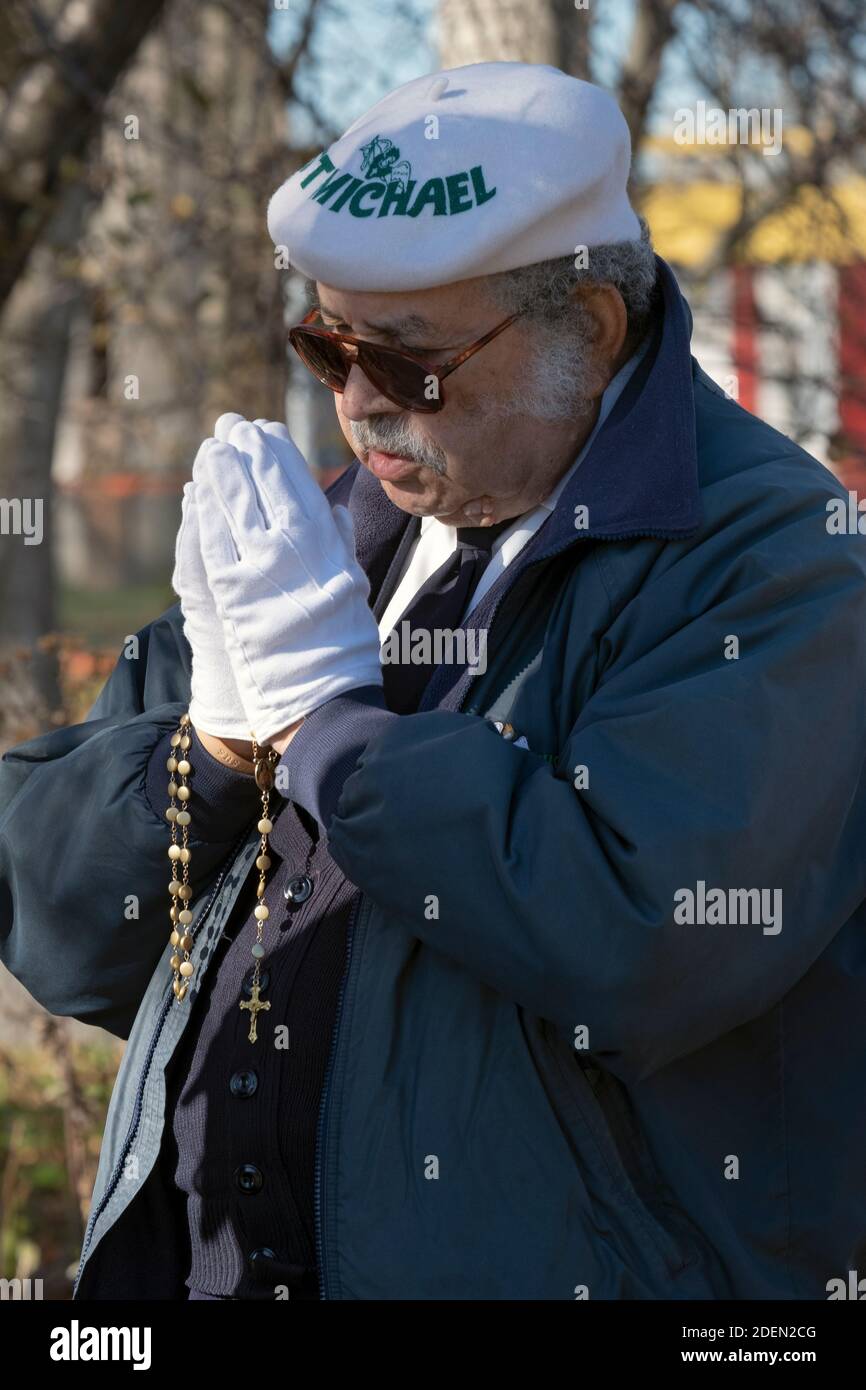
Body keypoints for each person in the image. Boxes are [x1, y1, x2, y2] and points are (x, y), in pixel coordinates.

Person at [2, 61, 865, 1302]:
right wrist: (216, 755)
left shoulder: (771, 558)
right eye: (325, 344)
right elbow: (61, 932)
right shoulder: (330, 534)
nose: (355, 407)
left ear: (591, 330)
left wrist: (333, 735)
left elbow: (640, 936)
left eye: (408, 364)